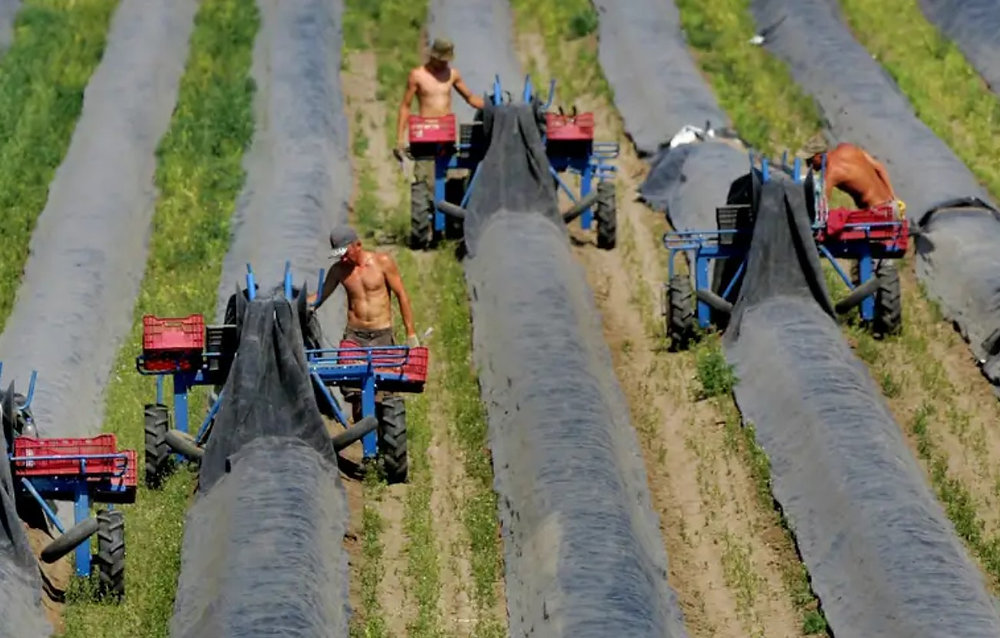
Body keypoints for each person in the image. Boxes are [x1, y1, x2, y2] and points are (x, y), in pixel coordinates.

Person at [308, 225, 419, 418]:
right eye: (339, 255)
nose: (343, 258)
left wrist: (411, 333)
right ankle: (361, 423)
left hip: (382, 336)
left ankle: (383, 425)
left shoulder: (382, 263)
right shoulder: (339, 270)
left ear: (357, 245)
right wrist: (298, 305)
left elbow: (402, 295)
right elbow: (320, 296)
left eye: (345, 253)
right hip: (355, 337)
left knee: (385, 389)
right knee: (353, 388)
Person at [394, 38, 486, 186]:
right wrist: (400, 139)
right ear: (433, 57)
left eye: (446, 61)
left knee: (449, 178)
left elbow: (470, 98)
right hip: (424, 136)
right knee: (424, 179)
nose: (444, 64)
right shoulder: (417, 76)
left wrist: (491, 107)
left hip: (445, 135)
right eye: (441, 61)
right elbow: (405, 106)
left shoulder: (452, 74)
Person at [800, 134, 905, 215]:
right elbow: (880, 168)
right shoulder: (847, 148)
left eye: (810, 160)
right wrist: (893, 197)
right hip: (891, 205)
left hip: (877, 212)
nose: (808, 165)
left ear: (819, 156)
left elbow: (821, 206)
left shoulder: (832, 173)